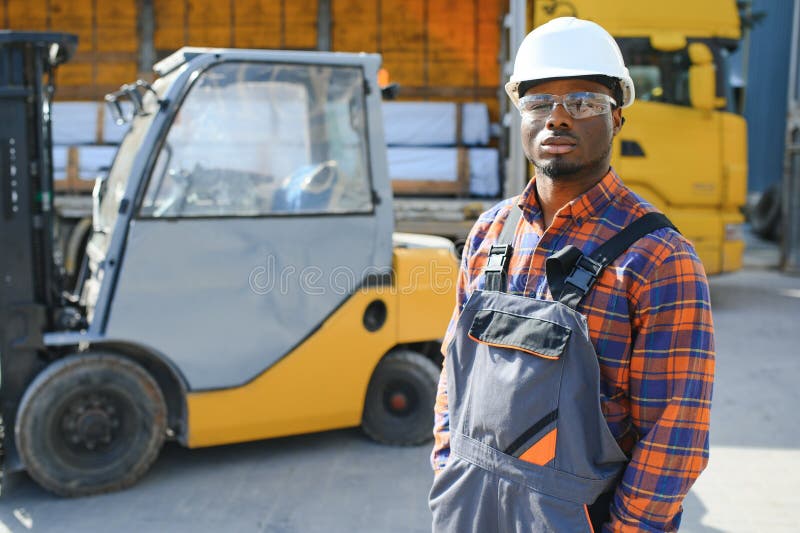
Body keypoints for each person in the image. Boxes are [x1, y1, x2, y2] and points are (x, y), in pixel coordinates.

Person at [429, 17, 714, 532]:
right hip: (469, 508)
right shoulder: (491, 232)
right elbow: (454, 370)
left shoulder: (657, 258)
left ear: (617, 118)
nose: (557, 118)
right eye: (539, 103)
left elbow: (675, 434)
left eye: (583, 103)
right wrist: (448, 466)